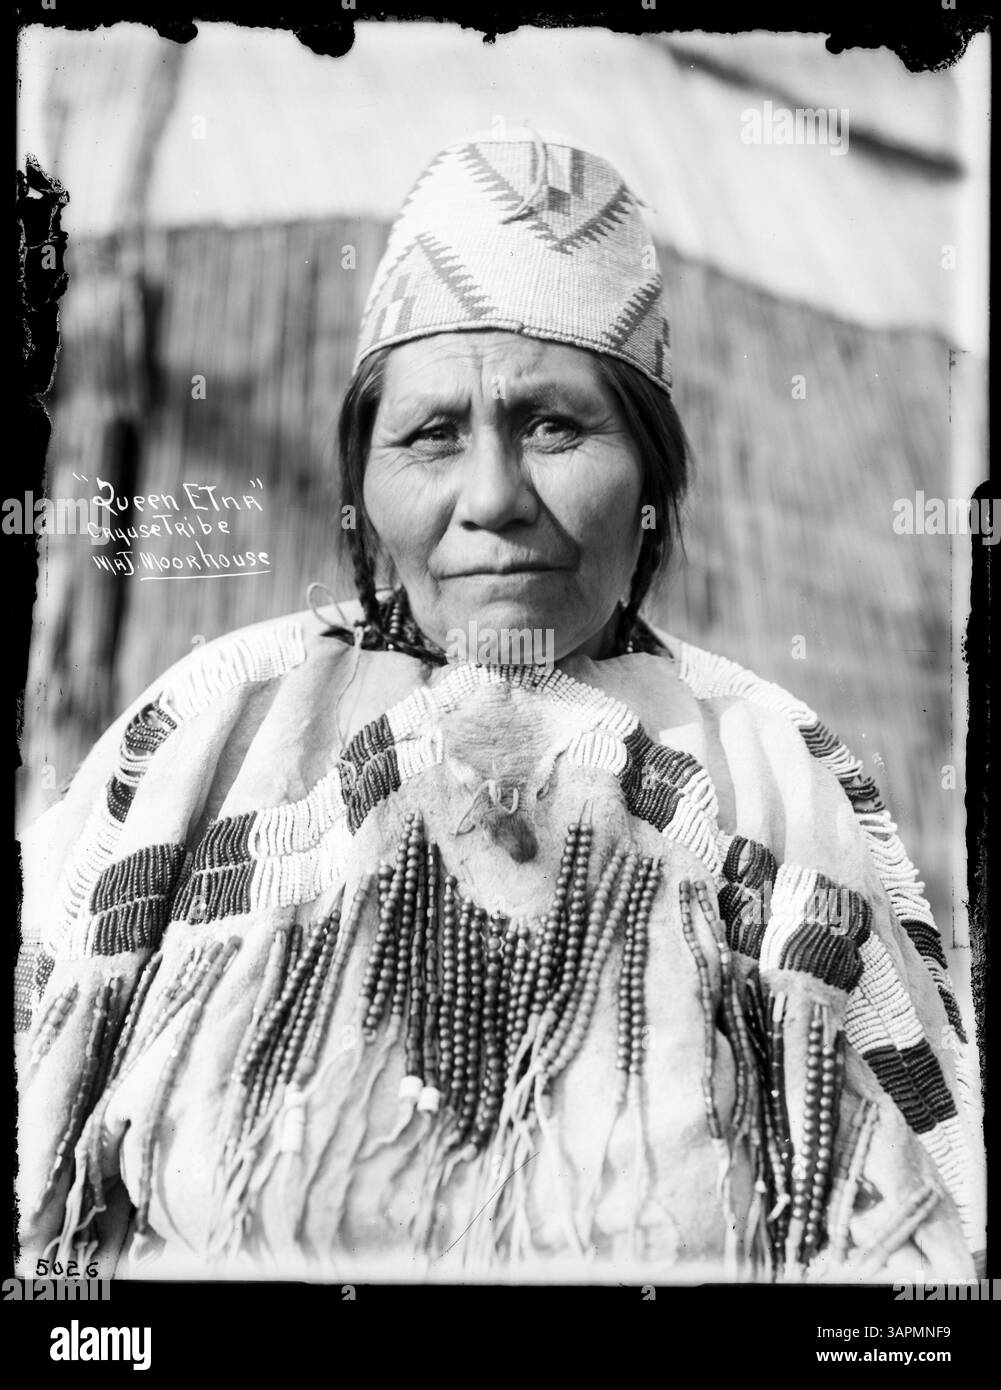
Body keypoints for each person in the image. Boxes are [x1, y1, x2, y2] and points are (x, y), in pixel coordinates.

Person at [16, 129, 984, 1283]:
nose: (491, 498)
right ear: (366, 486)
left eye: (554, 426)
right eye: (431, 433)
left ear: (650, 478)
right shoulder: (215, 733)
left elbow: (914, 1247)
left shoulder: (765, 768)